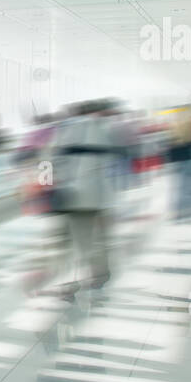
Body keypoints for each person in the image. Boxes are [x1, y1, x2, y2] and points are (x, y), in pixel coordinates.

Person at [45, 99, 118, 292]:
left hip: (69, 195)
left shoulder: (63, 131)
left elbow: (48, 161)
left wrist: (47, 186)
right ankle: (100, 274)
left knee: (69, 241)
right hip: (96, 196)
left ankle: (70, 283)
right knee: (92, 239)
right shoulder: (104, 130)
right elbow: (108, 163)